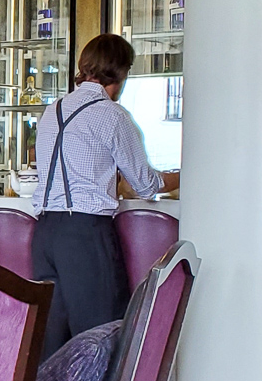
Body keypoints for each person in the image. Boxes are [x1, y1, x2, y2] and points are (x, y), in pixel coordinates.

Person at [30, 33, 179, 360]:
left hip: (44, 234)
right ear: (122, 72)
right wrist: (186, 175)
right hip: (84, 233)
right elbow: (146, 185)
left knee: (50, 343)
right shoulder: (112, 115)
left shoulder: (52, 110)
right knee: (100, 338)